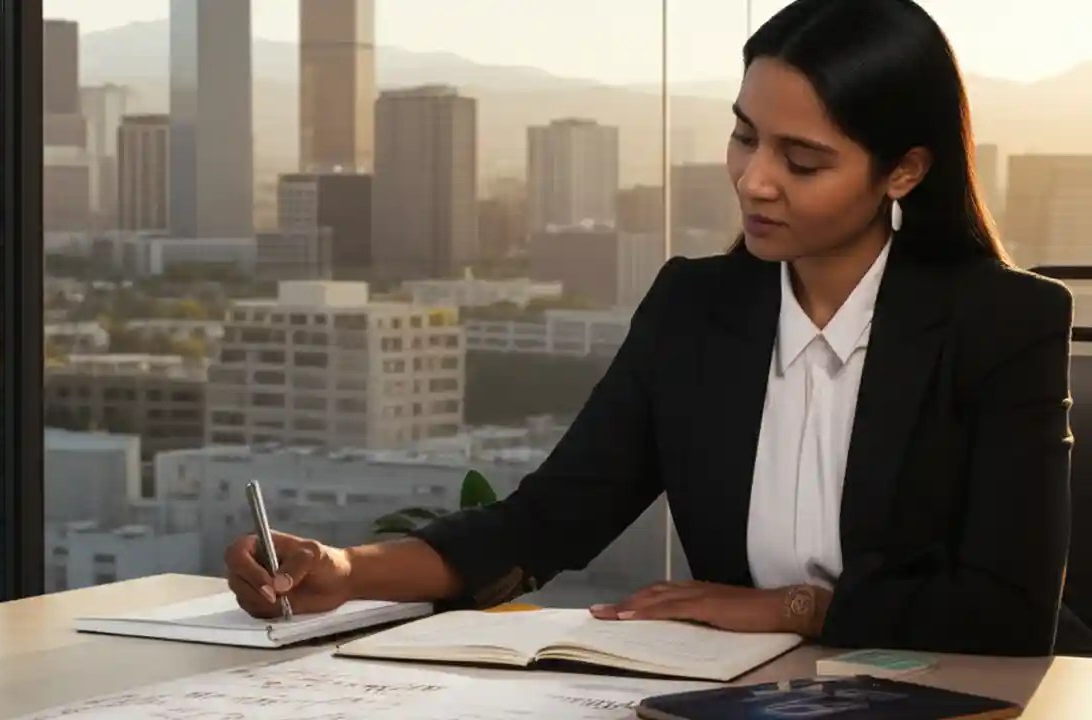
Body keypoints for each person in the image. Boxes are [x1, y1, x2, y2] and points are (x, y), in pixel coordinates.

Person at [226, 0, 1083, 656]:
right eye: (745, 138)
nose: (755, 181)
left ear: (903, 170)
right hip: (747, 699)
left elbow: (1007, 613)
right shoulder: (694, 309)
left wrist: (796, 611)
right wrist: (345, 571)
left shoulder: (1003, 322)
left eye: (803, 160)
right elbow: (545, 522)